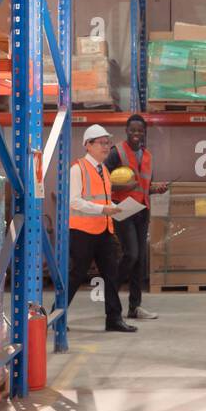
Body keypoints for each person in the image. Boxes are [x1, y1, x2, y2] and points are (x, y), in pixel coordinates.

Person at [62, 124, 136, 334]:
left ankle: (114, 319)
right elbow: (74, 201)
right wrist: (102, 208)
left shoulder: (104, 170)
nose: (106, 147)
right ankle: (56, 316)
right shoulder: (78, 169)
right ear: (88, 145)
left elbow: (102, 199)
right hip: (82, 232)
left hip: (104, 230)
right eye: (102, 143)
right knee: (76, 275)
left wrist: (115, 208)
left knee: (111, 274)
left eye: (108, 143)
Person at [105, 113, 168, 320]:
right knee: (131, 254)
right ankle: (111, 291)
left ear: (144, 133)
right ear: (126, 131)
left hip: (142, 210)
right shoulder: (117, 153)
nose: (136, 134)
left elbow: (144, 185)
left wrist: (155, 189)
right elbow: (102, 181)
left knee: (140, 259)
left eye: (140, 131)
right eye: (132, 130)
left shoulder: (148, 156)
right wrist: (123, 186)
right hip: (123, 210)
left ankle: (135, 307)